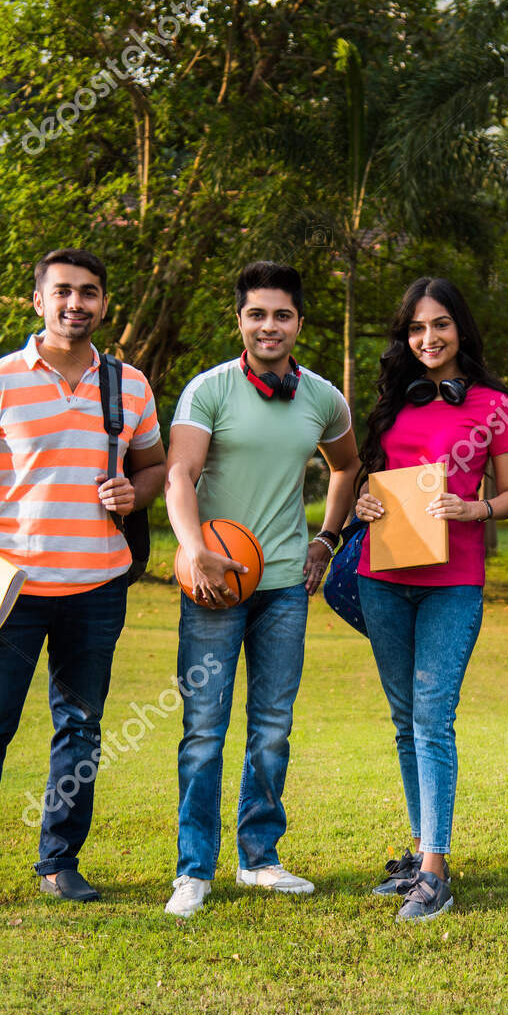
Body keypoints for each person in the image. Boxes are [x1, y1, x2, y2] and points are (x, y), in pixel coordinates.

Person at [0, 248, 166, 919]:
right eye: (64, 291)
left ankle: (59, 864)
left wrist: (135, 492)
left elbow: (156, 468)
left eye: (90, 292)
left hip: (98, 587)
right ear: (39, 301)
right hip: (10, 590)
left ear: (104, 304)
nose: (77, 303)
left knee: (80, 728)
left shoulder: (130, 385)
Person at [162, 260, 361, 918]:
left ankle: (259, 858)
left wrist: (326, 538)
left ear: (299, 323)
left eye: (281, 315)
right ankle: (193, 870)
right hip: (213, 587)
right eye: (257, 314)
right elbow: (179, 476)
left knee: (272, 728)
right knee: (204, 729)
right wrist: (194, 552)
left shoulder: (324, 398)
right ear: (240, 320)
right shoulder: (209, 390)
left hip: (284, 589)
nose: (268, 326)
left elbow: (347, 466)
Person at [351, 277, 508, 921]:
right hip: (382, 577)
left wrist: (473, 508)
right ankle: (420, 849)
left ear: (460, 330)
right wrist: (365, 504)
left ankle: (435, 870)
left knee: (432, 718)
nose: (429, 338)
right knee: (405, 721)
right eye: (417, 328)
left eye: (441, 324)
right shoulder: (391, 402)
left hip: (453, 583)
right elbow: (368, 481)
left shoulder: (495, 406)